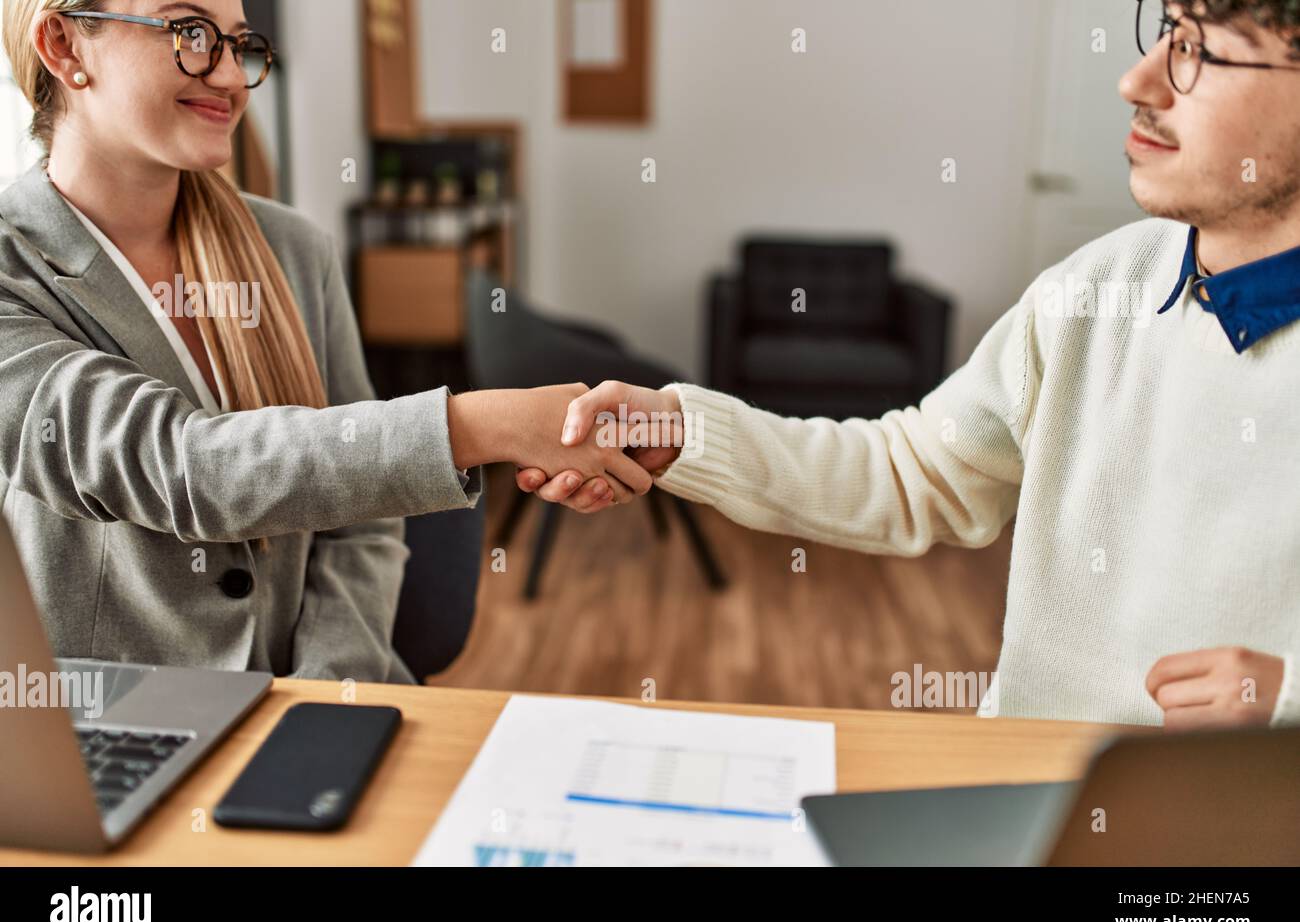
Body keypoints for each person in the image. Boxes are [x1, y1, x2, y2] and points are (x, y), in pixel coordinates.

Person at [522, 0, 1300, 731]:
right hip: (1030, 799)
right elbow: (909, 472)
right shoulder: (1090, 290)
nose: (1137, 80)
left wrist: (1288, 697)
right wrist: (685, 432)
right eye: (1165, 27)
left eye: (1201, 50)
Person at [0, 0, 651, 683]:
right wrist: (480, 425)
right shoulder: (15, 274)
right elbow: (183, 469)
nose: (229, 75)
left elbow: (364, 517)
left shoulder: (294, 251)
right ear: (65, 46)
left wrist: (328, 690)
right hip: (116, 729)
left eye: (240, 42)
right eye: (191, 33)